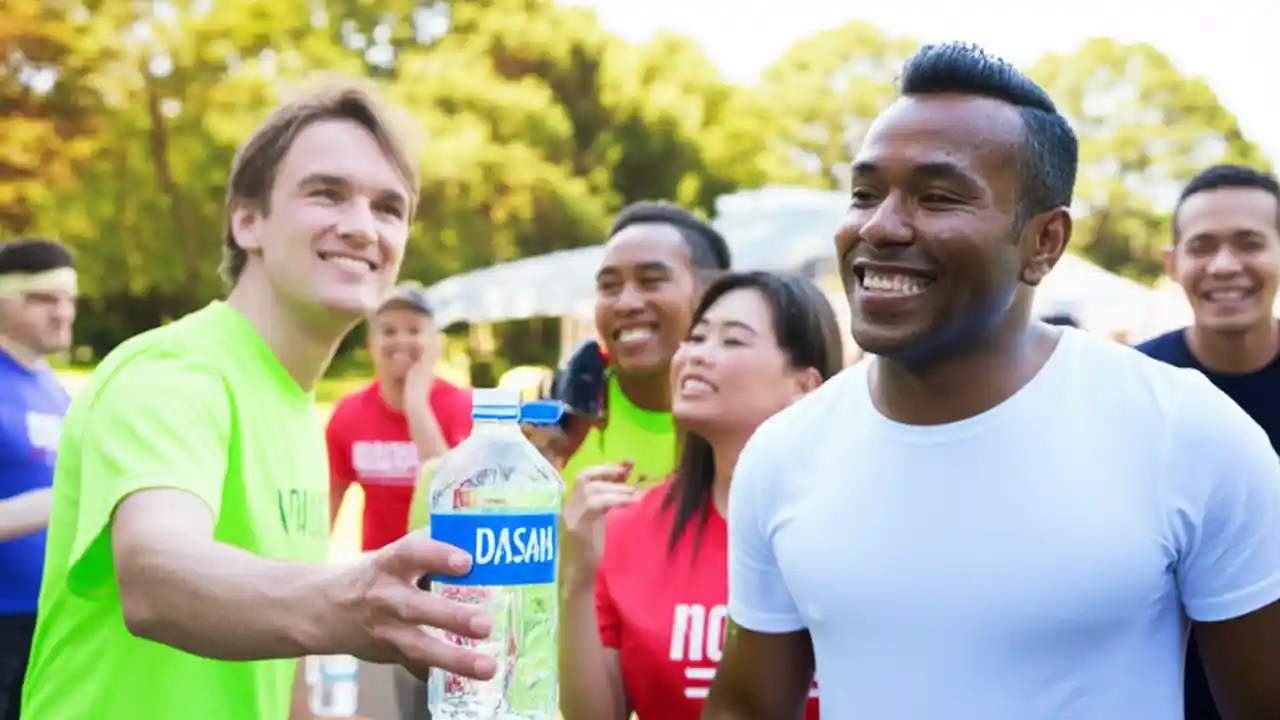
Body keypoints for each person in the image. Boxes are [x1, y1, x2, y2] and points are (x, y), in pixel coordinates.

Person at [704, 42, 1280, 719]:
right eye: (864, 193)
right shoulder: (783, 453)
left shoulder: (1185, 431)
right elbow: (746, 704)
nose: (880, 226)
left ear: (1045, 243)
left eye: (938, 197)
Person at [19, 81, 497, 720]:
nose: (361, 227)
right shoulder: (172, 371)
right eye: (326, 193)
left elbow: (279, 656)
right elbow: (156, 575)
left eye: (389, 208)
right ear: (248, 221)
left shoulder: (294, 404)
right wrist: (348, 597)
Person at [559, 271, 840, 720]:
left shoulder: (853, 531)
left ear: (803, 387)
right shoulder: (627, 526)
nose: (695, 356)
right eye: (696, 338)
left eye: (732, 341)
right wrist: (576, 578)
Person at [1136, 164, 1280, 720]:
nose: (1225, 266)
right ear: (1174, 265)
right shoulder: (1136, 386)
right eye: (1202, 246)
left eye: (1250, 243)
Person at [557, 201, 731, 492]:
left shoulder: (748, 423)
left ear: (712, 294)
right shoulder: (562, 425)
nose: (625, 304)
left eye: (651, 281)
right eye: (609, 286)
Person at [327, 281, 473, 551]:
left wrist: (416, 404)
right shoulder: (349, 414)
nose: (401, 341)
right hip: (376, 574)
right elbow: (329, 504)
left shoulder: (463, 407)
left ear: (435, 344)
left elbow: (455, 499)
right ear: (372, 343)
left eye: (414, 330)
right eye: (389, 331)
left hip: (445, 570)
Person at [0, 238, 76, 720]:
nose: (63, 313)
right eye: (44, 298)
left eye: (69, 299)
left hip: (50, 618)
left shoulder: (55, 391)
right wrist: (66, 498)